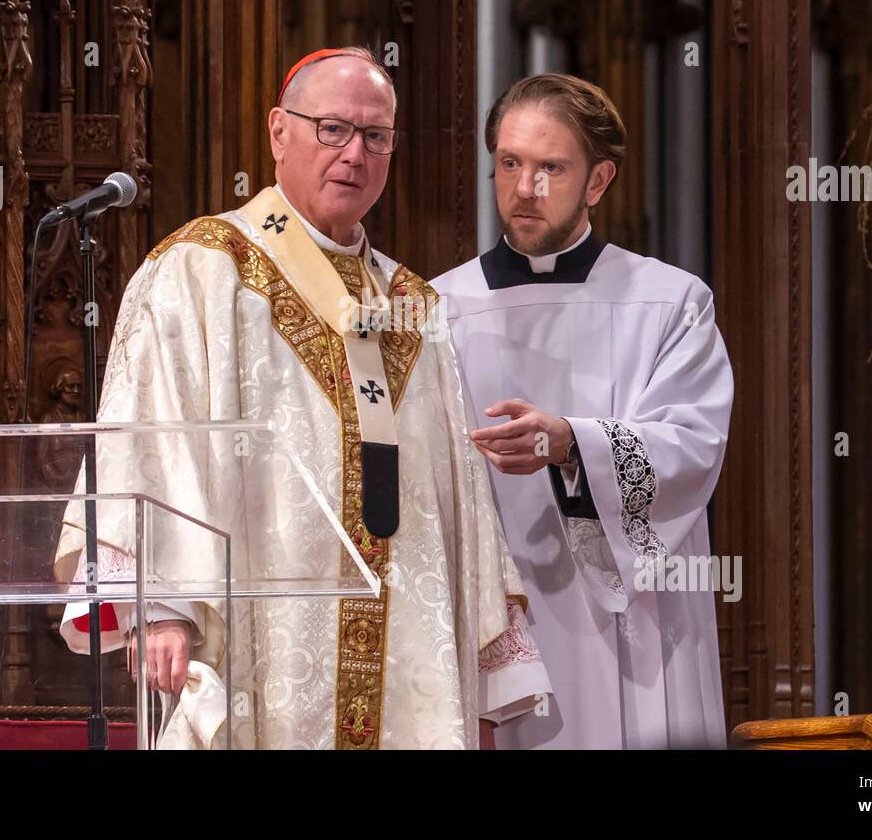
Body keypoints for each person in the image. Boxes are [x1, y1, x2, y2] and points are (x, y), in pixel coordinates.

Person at [53, 46, 549, 749]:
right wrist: (160, 606)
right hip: (261, 644)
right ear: (279, 132)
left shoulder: (413, 305)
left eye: (377, 136)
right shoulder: (203, 269)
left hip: (402, 656)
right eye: (333, 129)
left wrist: (484, 664)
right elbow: (149, 428)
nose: (355, 153)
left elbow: (460, 498)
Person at [433, 73, 732, 749]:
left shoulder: (669, 302)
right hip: (492, 622)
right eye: (509, 163)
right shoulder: (435, 310)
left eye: (550, 168)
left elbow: (692, 444)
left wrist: (573, 443)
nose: (524, 188)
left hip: (633, 628)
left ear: (598, 180)